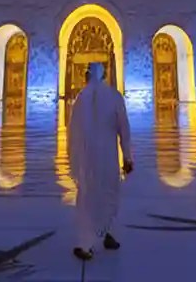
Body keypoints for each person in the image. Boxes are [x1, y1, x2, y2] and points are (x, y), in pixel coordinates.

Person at [68, 62, 133, 261]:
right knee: (108, 193)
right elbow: (124, 129)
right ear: (104, 76)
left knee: (88, 196)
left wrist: (73, 158)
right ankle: (102, 235)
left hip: (88, 157)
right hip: (107, 156)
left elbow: (72, 132)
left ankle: (92, 241)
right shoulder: (114, 97)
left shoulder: (81, 99)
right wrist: (127, 156)